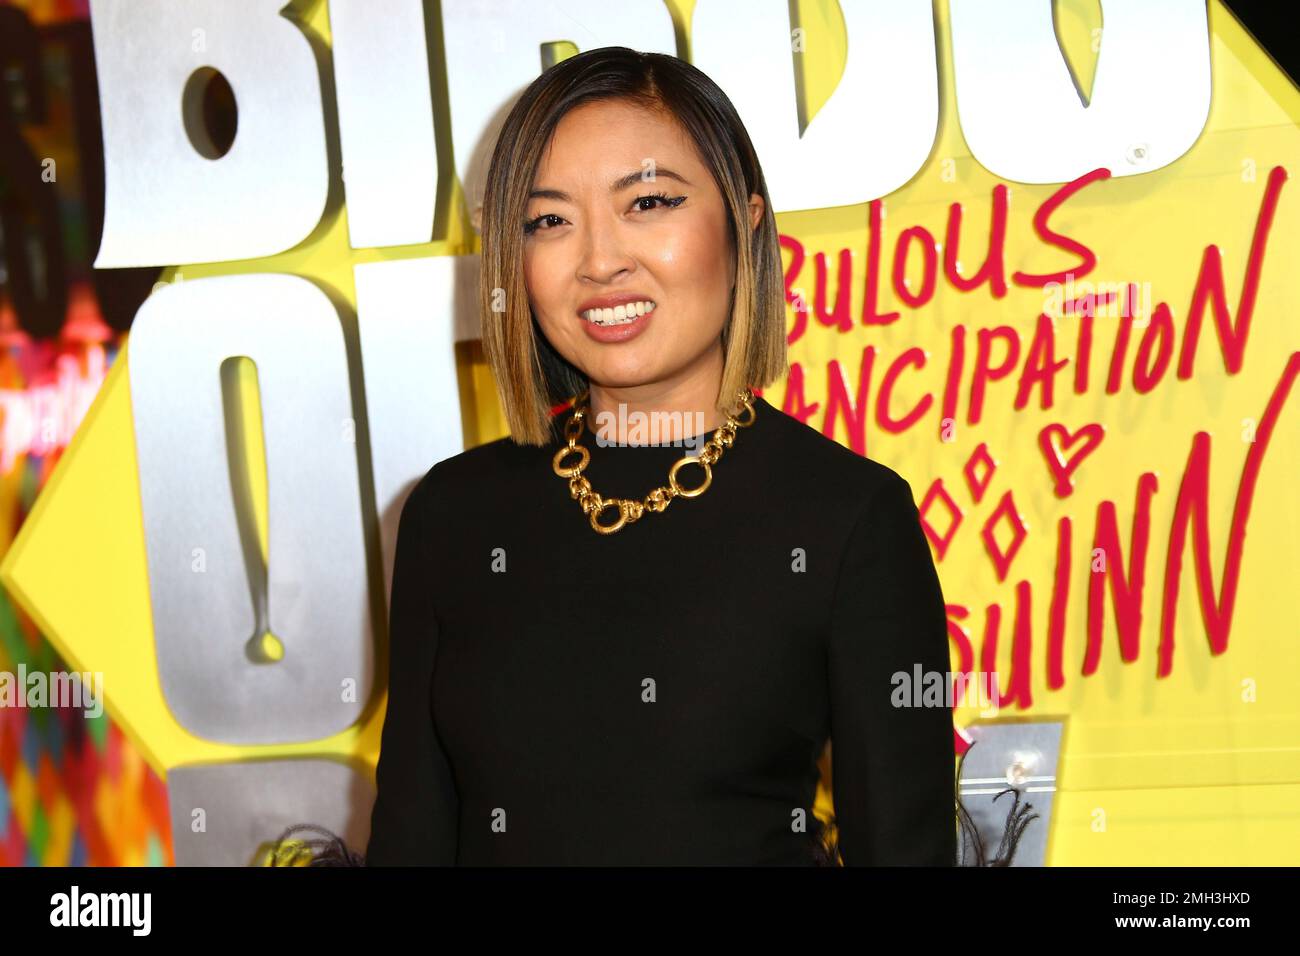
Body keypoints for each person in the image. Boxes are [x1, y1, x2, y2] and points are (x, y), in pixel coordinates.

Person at [363, 46, 957, 866]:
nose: (600, 261)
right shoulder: (453, 515)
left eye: (648, 202)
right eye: (550, 221)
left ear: (744, 225)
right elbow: (411, 841)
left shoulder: (847, 519)